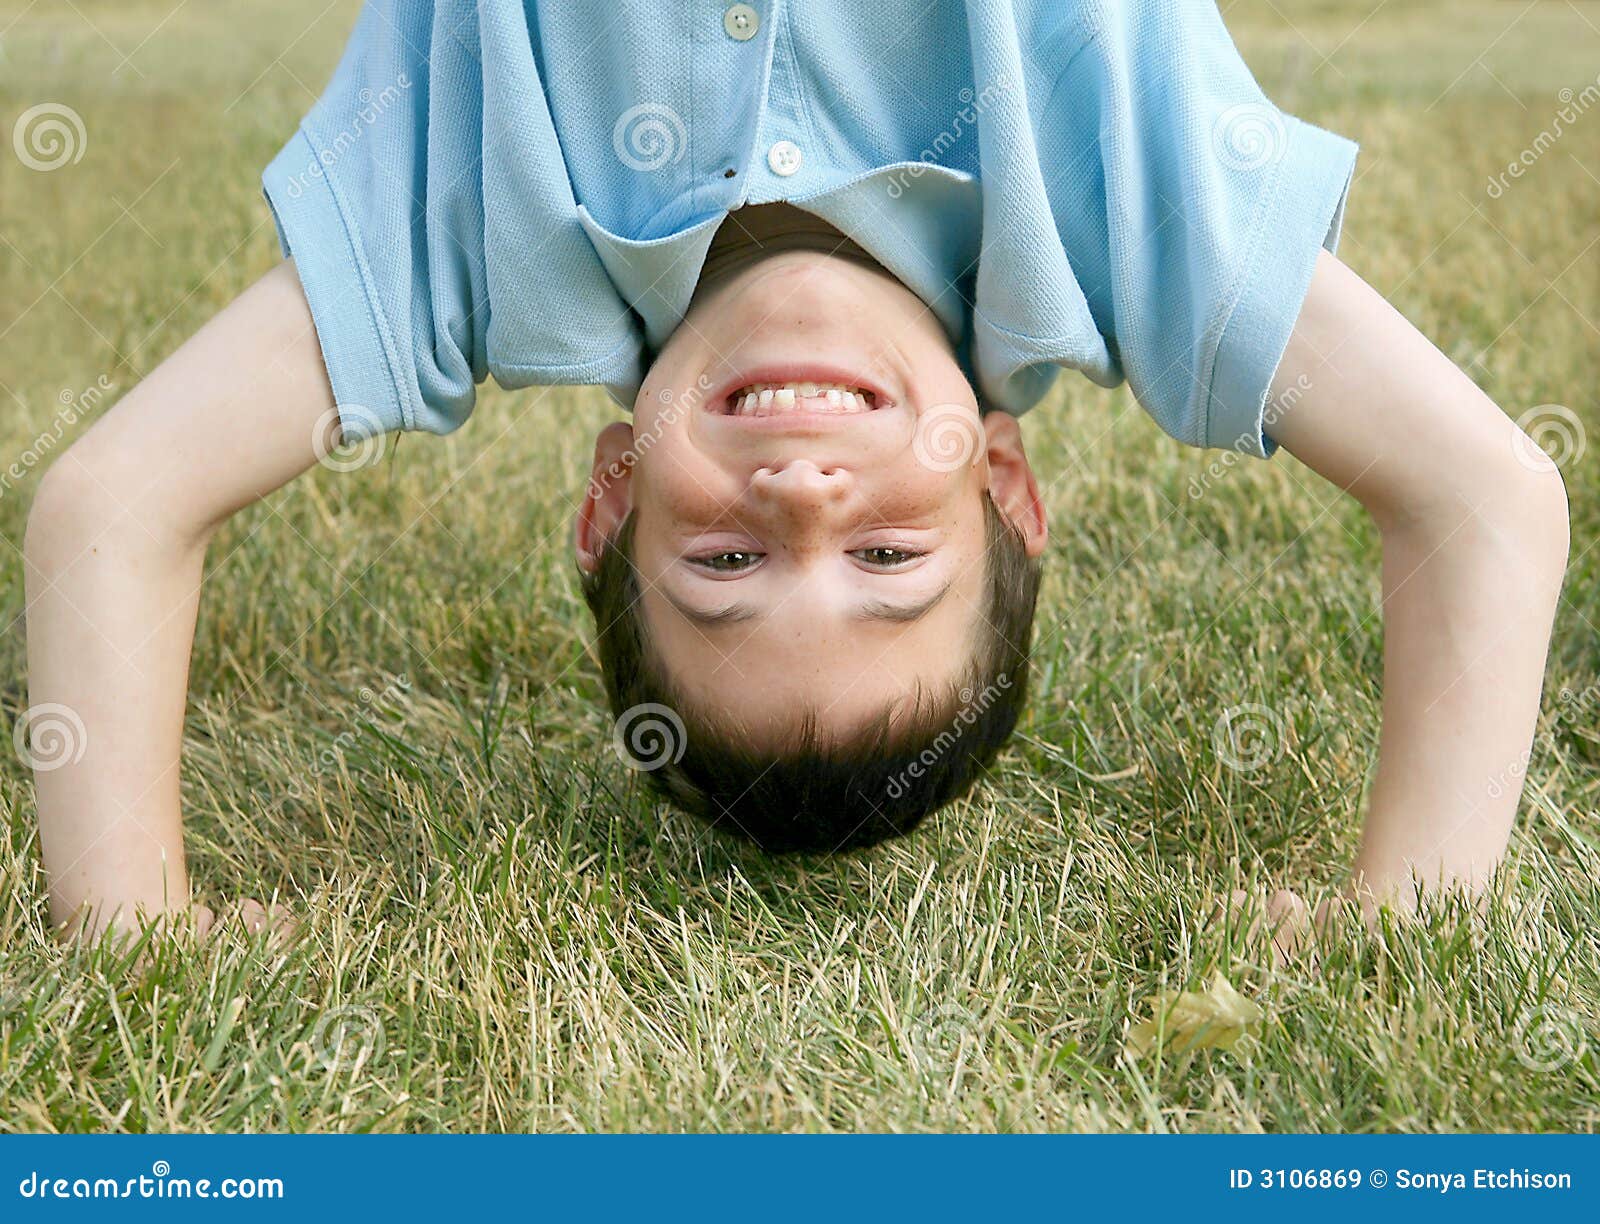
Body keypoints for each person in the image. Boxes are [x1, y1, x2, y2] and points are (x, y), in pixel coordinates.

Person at [22, 1, 1568, 939]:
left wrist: (126, 918)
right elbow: (1488, 499)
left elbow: (110, 505)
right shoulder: (1131, 226)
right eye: (894, 564)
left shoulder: (473, 232)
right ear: (1006, 489)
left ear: (615, 495)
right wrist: (1402, 911)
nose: (808, 503)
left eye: (726, 568)